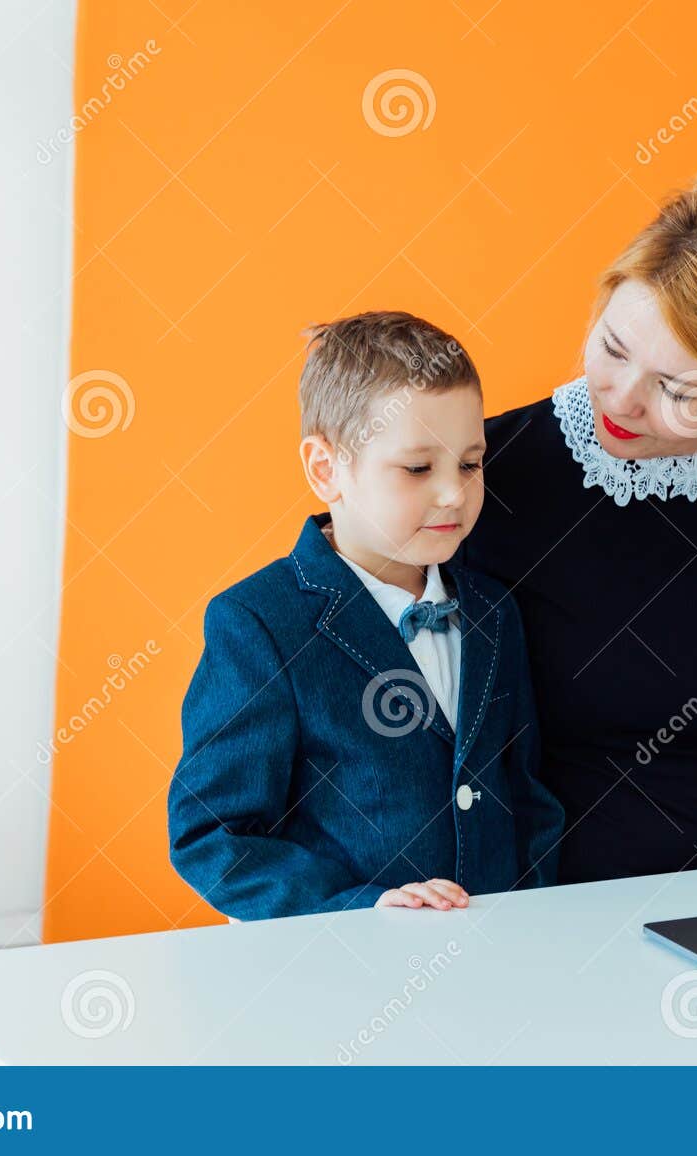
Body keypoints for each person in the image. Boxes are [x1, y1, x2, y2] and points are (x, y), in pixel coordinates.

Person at [461, 161, 697, 882]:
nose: (624, 400)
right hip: (508, 916)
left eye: (676, 388)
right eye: (613, 348)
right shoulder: (482, 473)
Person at [168, 311, 563, 918]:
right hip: (342, 975)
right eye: (417, 468)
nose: (454, 493)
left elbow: (528, 796)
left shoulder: (494, 610)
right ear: (327, 469)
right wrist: (362, 907)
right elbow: (214, 837)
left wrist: (538, 919)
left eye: (470, 462)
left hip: (498, 962)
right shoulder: (258, 622)